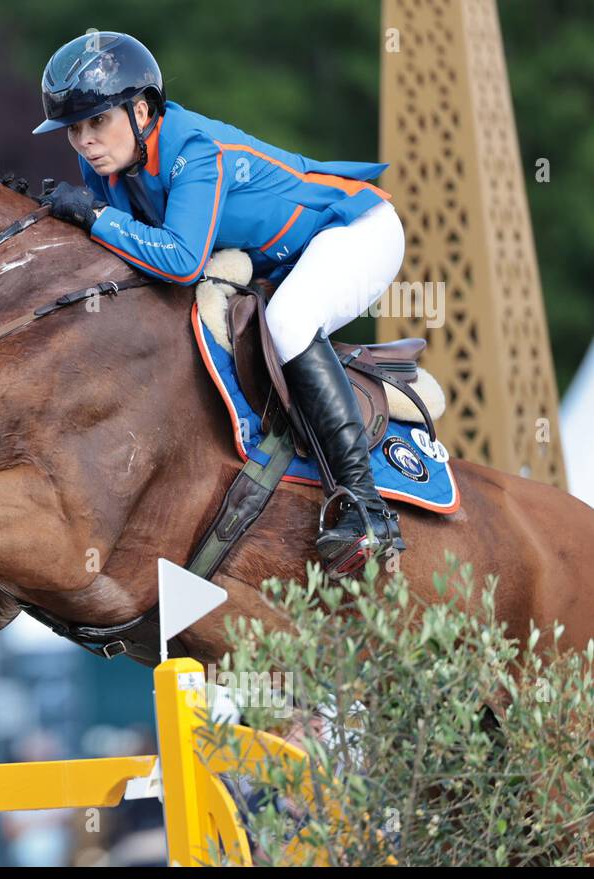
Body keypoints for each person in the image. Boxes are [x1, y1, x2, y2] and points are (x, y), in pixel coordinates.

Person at [34, 31, 405, 575]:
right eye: (75, 129)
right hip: (284, 258)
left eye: (97, 122)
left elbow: (182, 260)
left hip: (356, 231)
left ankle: (368, 511)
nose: (85, 141)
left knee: (289, 320)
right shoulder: (110, 163)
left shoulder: (193, 150)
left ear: (141, 111)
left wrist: (94, 218)